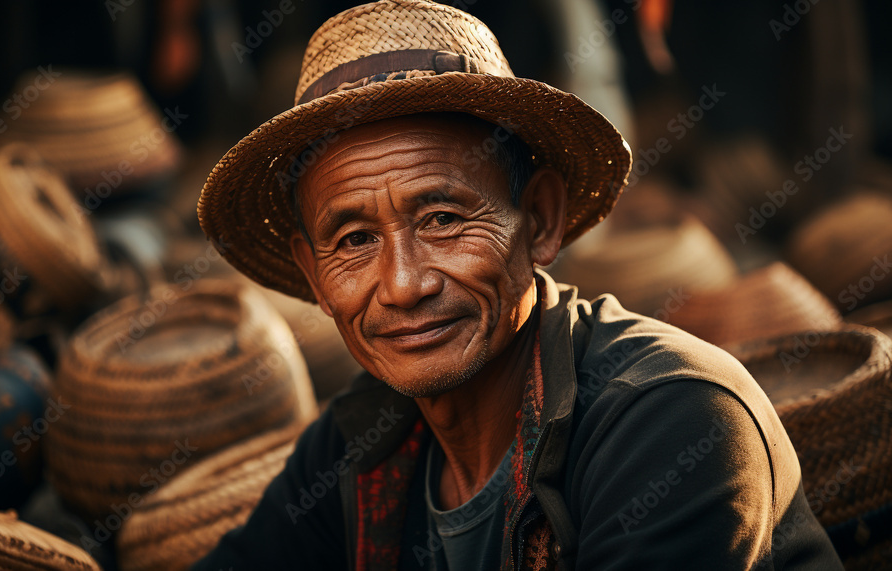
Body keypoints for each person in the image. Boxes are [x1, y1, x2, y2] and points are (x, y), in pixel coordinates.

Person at [193, 1, 843, 569]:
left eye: (443, 219)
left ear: (539, 222)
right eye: (355, 239)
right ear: (313, 273)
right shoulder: (361, 440)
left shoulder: (670, 422)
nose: (401, 284)